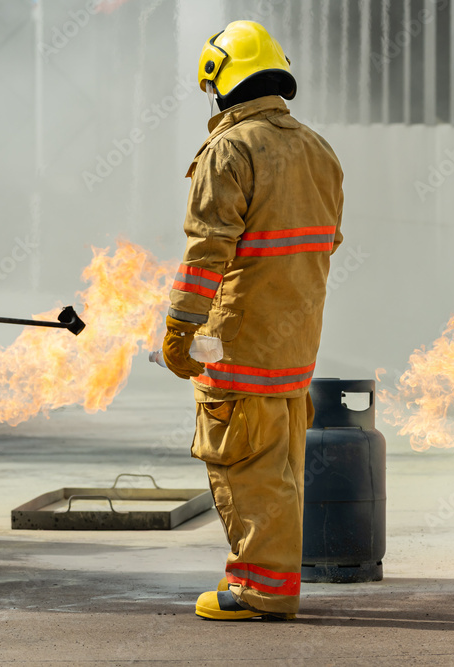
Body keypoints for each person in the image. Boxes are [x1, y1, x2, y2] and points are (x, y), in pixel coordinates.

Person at [162, 21, 344, 620]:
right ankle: (271, 583)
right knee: (282, 471)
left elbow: (206, 253)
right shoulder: (318, 150)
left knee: (244, 470)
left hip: (235, 348)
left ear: (220, 83)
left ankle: (261, 591)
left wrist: (181, 329)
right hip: (295, 348)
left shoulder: (229, 151)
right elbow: (323, 244)